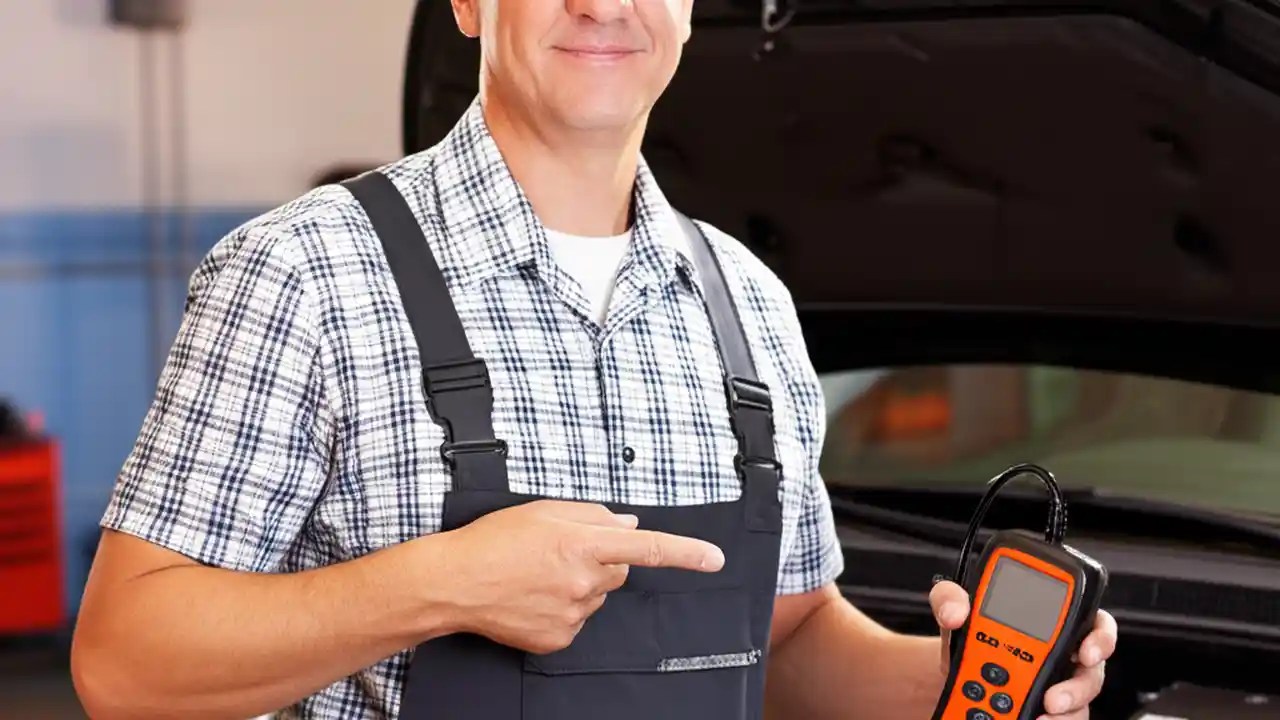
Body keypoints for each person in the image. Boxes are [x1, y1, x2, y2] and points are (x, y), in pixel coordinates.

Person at [71, 1, 1118, 718]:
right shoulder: (302, 274)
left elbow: (785, 644)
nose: (601, 1)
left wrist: (949, 677)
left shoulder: (747, 302)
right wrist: (438, 587)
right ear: (469, 1)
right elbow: (123, 661)